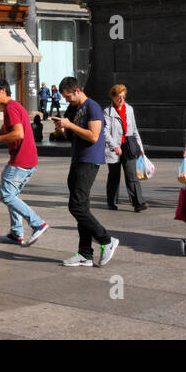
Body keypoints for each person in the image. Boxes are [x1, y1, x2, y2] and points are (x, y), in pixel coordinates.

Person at [0, 78, 47, 246]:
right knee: (12, 196)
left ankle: (37, 224)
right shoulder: (12, 107)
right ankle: (16, 233)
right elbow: (5, 131)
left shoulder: (11, 108)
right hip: (28, 160)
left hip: (21, 160)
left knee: (6, 195)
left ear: (3, 90)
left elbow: (18, 134)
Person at [53, 77, 117, 268]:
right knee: (83, 207)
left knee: (76, 207)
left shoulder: (93, 107)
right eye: (64, 98)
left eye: (69, 97)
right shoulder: (73, 109)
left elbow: (93, 136)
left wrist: (70, 124)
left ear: (78, 91)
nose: (67, 101)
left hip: (89, 160)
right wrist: (62, 128)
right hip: (77, 159)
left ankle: (106, 239)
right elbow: (72, 136)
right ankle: (85, 253)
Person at [104, 84, 146, 212]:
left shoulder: (129, 109)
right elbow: (105, 131)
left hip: (128, 146)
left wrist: (140, 147)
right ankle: (111, 201)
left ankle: (138, 203)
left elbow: (134, 130)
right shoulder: (107, 112)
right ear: (113, 97)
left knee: (132, 175)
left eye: (123, 96)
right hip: (114, 147)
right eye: (118, 97)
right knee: (114, 176)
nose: (121, 99)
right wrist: (114, 146)